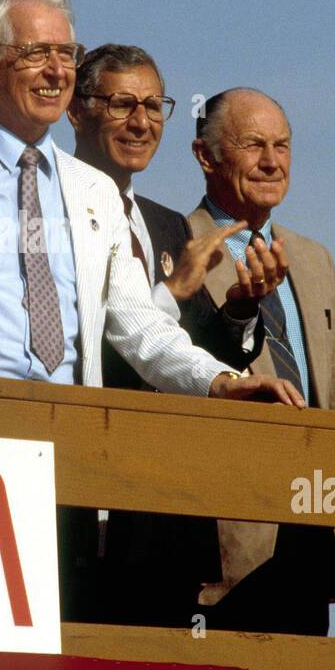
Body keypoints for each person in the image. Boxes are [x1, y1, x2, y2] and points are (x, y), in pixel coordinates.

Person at [0, 0, 305, 622]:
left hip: (69, 465)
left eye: (66, 54)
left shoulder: (95, 190)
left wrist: (219, 381)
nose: (57, 71)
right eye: (36, 53)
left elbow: (138, 325)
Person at [66, 46, 274, 625]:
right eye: (122, 104)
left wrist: (237, 309)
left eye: (154, 106)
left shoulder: (166, 223)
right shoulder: (50, 209)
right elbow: (81, 345)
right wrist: (172, 292)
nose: (141, 122)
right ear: (76, 113)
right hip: (86, 492)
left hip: (164, 504)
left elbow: (192, 356)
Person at [181, 88, 335, 635]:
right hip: (224, 536)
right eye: (253, 144)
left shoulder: (313, 258)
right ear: (205, 155)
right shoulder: (174, 244)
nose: (271, 161)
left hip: (314, 528)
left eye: (282, 145)